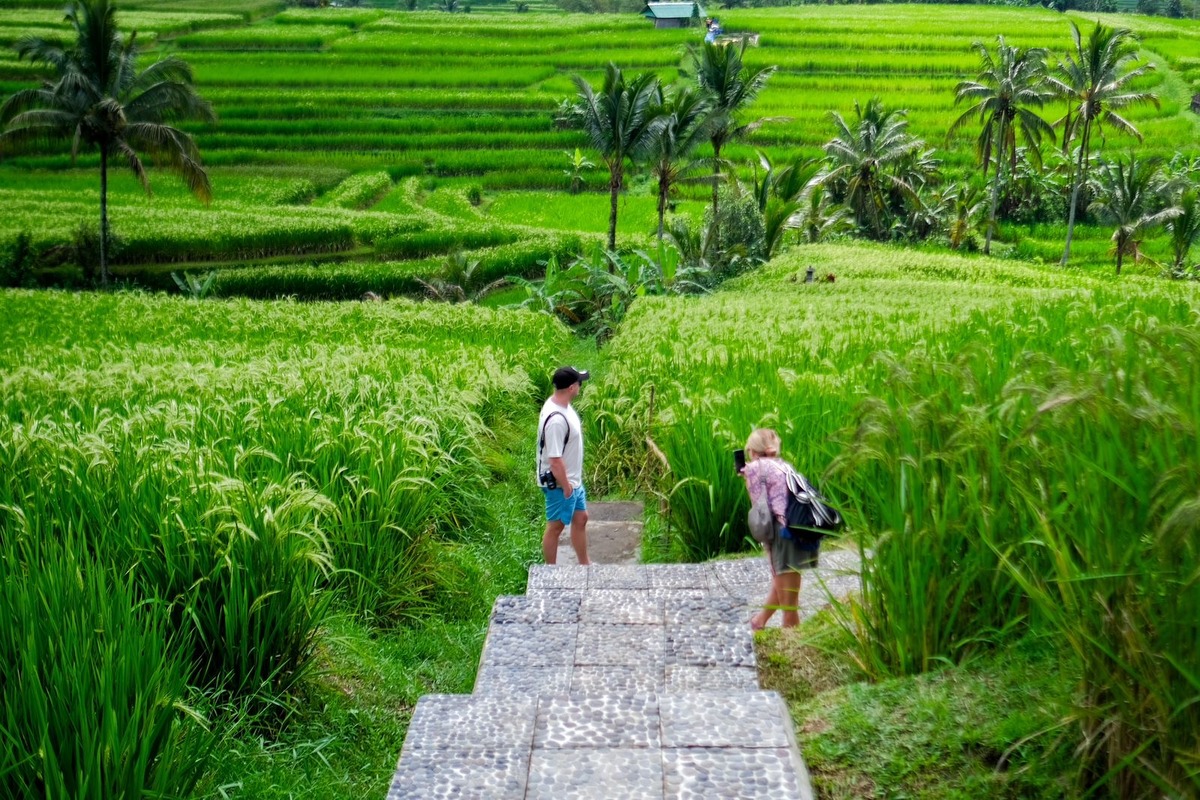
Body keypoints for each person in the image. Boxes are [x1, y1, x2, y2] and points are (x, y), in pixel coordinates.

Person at [740, 428, 820, 629]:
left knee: (789, 606)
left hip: (784, 533)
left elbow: (761, 513)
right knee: (783, 583)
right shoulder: (784, 466)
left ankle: (792, 642)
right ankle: (759, 621)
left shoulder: (755, 468)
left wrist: (746, 474)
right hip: (802, 529)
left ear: (753, 451)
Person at [536, 366, 591, 565]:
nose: (581, 386)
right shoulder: (556, 421)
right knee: (556, 527)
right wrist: (567, 488)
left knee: (581, 518)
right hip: (561, 484)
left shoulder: (562, 405)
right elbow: (555, 461)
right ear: (571, 388)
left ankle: (585, 565)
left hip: (573, 481)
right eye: (579, 383)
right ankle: (550, 572)